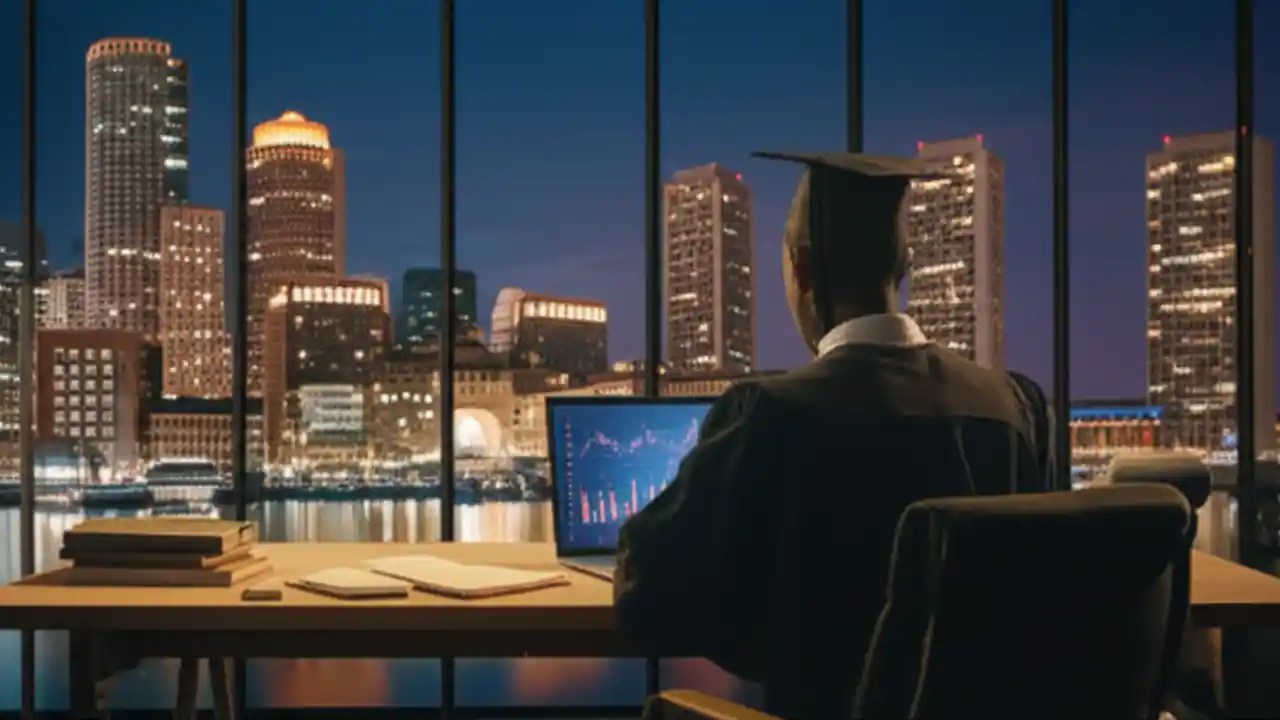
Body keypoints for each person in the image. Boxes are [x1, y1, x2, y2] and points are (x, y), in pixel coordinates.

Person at [614, 152, 1056, 719]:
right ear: (902, 267)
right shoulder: (1014, 408)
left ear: (800, 268)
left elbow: (648, 605)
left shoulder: (770, 414)